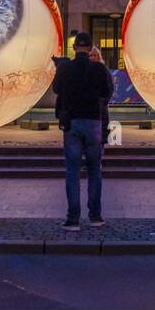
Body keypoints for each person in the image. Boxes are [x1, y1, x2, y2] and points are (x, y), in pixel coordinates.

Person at [52, 32, 110, 230]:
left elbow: (56, 88)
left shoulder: (65, 67)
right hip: (93, 121)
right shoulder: (99, 69)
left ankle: (73, 219)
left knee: (72, 171)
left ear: (75, 47)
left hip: (72, 123)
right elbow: (107, 92)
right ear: (90, 47)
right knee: (94, 170)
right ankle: (95, 216)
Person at [88, 44, 113, 147]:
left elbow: (109, 87)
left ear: (99, 56)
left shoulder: (104, 70)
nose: (93, 57)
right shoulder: (86, 70)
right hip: (88, 106)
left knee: (101, 132)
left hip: (100, 106)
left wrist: (104, 101)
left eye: (95, 55)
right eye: (91, 55)